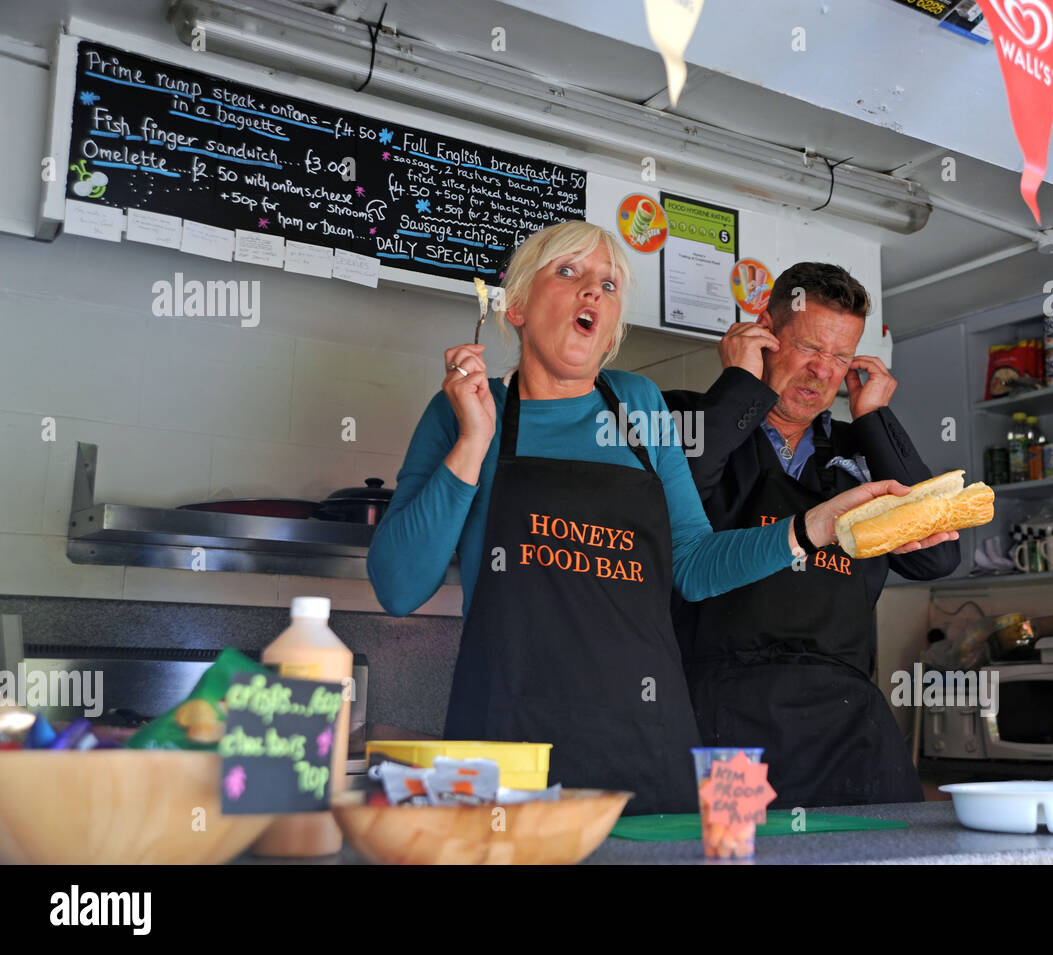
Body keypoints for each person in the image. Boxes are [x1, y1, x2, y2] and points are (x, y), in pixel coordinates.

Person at [367, 225, 913, 815]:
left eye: (607, 283)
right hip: (509, 730)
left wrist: (816, 527)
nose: (592, 294)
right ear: (518, 305)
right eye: (568, 273)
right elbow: (399, 587)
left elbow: (693, 566)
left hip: (647, 735)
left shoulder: (639, 404)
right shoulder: (467, 411)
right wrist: (473, 442)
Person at [663, 262, 961, 808]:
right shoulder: (689, 416)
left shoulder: (860, 450)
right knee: (735, 858)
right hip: (723, 717)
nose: (822, 373)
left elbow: (937, 558)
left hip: (846, 721)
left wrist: (876, 419)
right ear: (763, 333)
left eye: (840, 357)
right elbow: (678, 485)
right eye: (807, 348)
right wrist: (741, 385)